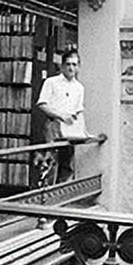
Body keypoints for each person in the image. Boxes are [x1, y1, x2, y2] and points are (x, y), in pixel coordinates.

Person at [36, 49, 85, 183]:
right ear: (62, 66)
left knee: (67, 163)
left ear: (79, 67)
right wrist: (60, 116)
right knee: (50, 162)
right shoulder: (51, 82)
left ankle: (62, 192)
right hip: (53, 126)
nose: (71, 68)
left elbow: (79, 111)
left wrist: (82, 130)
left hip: (70, 129)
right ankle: (47, 192)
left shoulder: (79, 88)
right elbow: (42, 104)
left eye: (74, 65)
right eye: (68, 64)